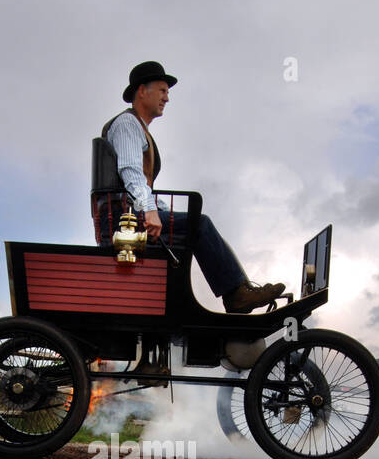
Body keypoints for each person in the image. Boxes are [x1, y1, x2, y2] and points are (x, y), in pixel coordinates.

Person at [95, 61, 286, 316]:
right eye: (162, 90)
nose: (167, 98)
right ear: (142, 91)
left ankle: (237, 290)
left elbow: (139, 183)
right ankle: (236, 294)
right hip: (126, 221)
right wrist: (150, 210)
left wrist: (157, 208)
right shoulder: (128, 124)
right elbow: (131, 172)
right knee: (200, 225)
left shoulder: (136, 127)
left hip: (127, 216)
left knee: (195, 225)